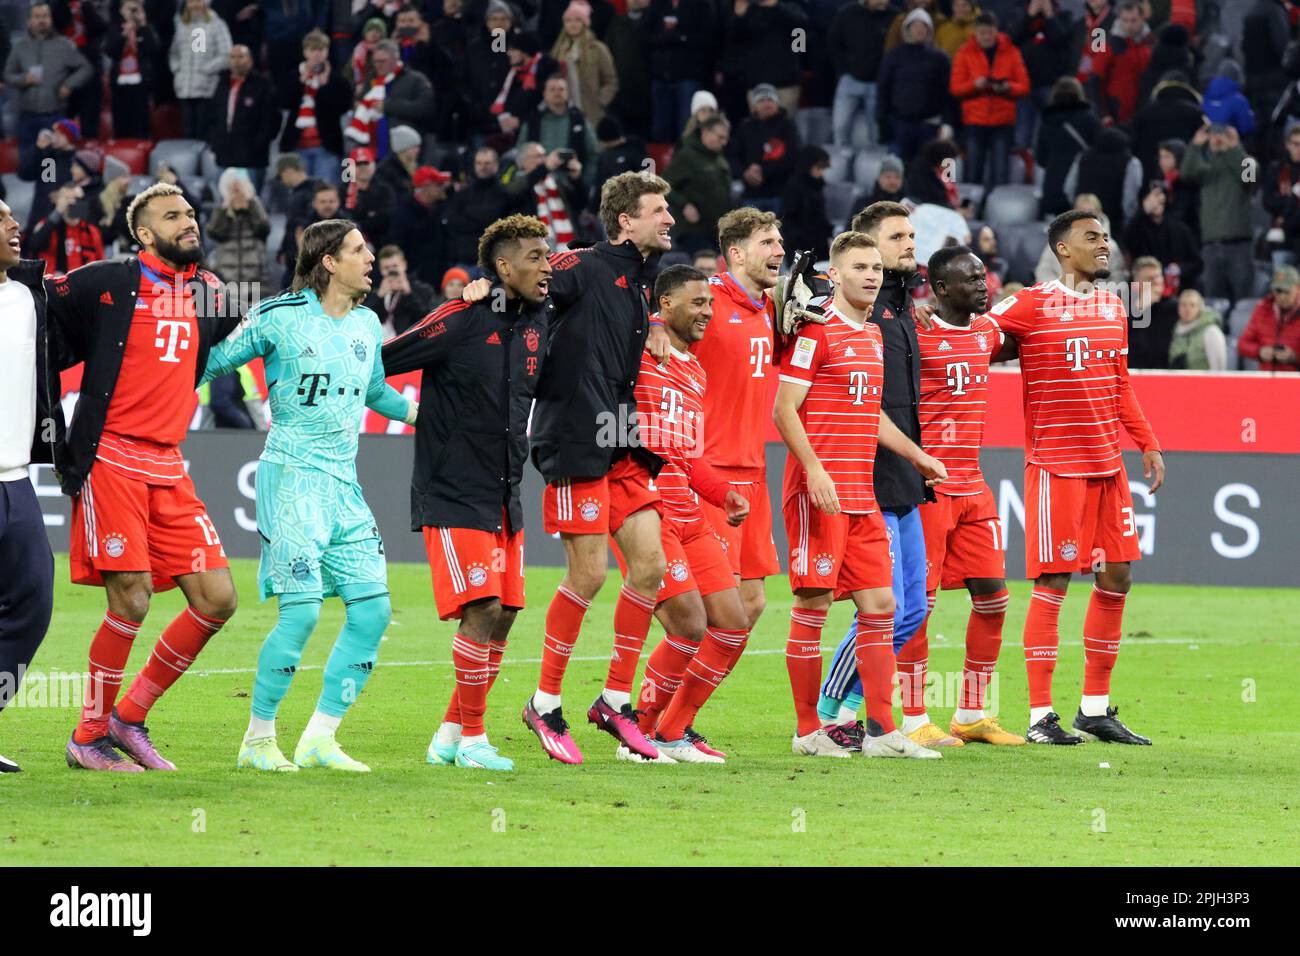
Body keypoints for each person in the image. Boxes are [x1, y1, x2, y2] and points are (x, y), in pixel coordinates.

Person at [463, 171, 675, 766]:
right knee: (589, 576)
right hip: (573, 438)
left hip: (621, 441)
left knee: (650, 567)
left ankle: (613, 700)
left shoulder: (636, 282)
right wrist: (485, 290)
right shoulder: (581, 264)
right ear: (625, 221)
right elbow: (528, 284)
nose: (670, 219)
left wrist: (654, 324)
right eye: (658, 209)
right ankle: (545, 703)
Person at [205, 219, 417, 773]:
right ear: (328, 261)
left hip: (345, 487)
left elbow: (374, 391)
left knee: (372, 612)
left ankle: (320, 738)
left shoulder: (369, 324)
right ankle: (257, 739)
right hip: (292, 478)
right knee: (299, 617)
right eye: (357, 250)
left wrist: (425, 415)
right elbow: (211, 362)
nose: (369, 258)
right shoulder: (278, 317)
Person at [51, 182, 241, 772]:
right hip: (110, 458)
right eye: (172, 216)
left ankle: (128, 718)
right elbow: (35, 311)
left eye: (189, 212)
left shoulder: (211, 292)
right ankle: (87, 737)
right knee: (130, 599)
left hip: (168, 462)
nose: (189, 222)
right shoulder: (105, 281)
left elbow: (219, 342)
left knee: (218, 598)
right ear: (144, 233)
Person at [381, 215, 553, 771]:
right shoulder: (459, 318)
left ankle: (451, 735)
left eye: (548, 255)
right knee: (481, 608)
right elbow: (380, 363)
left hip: (506, 493)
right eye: (534, 257)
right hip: (453, 489)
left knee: (503, 614)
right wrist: (413, 413)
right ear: (503, 266)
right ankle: (476, 739)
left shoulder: (536, 324)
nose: (547, 266)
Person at [988, 209, 1164, 744]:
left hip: (1107, 467)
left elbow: (1120, 383)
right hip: (1055, 466)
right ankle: (1041, 716)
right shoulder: (1031, 302)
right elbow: (977, 334)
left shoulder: (1113, 307)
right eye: (1092, 237)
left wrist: (1148, 442)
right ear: (1063, 249)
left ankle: (1093, 709)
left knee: (1116, 577)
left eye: (1106, 236)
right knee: (1054, 583)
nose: (1104, 244)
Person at [774, 230, 948, 759]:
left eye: (876, 268)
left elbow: (869, 414)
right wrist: (814, 471)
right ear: (835, 274)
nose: (871, 276)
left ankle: (879, 730)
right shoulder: (816, 332)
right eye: (859, 268)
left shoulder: (872, 335)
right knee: (815, 603)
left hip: (861, 492)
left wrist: (916, 456)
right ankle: (809, 732)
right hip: (818, 491)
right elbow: (784, 410)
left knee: (881, 606)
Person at [640, 209, 786, 754]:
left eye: (780, 241)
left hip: (751, 474)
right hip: (702, 474)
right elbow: (658, 316)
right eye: (767, 242)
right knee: (701, 616)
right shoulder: (706, 301)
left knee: (749, 608)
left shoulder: (769, 306)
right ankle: (652, 722)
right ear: (737, 253)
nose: (779, 249)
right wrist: (653, 324)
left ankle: (668, 722)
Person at [818, 202, 939, 745]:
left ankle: (859, 709)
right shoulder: (843, 315)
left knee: (912, 609)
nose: (909, 244)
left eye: (912, 235)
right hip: (864, 475)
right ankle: (833, 707)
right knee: (881, 606)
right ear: (862, 249)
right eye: (897, 237)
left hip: (903, 479)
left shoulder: (902, 309)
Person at [623, 265, 752, 763]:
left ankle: (670, 730)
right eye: (697, 303)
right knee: (688, 625)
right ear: (667, 304)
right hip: (646, 510)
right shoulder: (638, 353)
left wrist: (724, 495)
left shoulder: (696, 370)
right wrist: (647, 322)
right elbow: (606, 311)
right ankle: (637, 733)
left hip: (691, 511)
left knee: (733, 623)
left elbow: (691, 454)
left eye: (710, 304)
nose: (707, 312)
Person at [908, 244, 1024, 745]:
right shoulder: (914, 333)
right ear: (939, 288)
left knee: (994, 598)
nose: (984, 285)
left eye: (984, 276)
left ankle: (972, 713)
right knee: (920, 604)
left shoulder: (985, 332)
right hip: (927, 488)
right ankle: (912, 720)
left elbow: (1022, 333)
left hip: (973, 486)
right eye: (971, 280)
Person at [0, 200, 61, 773]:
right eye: (1, 219)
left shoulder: (31, 295)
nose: (15, 227)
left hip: (15, 481)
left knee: (33, 602)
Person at [950, 11, 1030, 191]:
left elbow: (1024, 86)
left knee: (1001, 173)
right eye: (982, 33)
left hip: (1003, 122)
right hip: (974, 122)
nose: (986, 37)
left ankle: (997, 213)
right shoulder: (964, 53)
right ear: (975, 32)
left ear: (996, 31)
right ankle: (970, 213)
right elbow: (955, 88)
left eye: (990, 32)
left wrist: (1008, 87)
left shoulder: (1011, 52)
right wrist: (975, 85)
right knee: (973, 172)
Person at [4, 2, 92, 165]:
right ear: (29, 21)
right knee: (28, 166)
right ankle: (34, 189)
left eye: (45, 16)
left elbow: (85, 68)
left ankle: (48, 189)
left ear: (51, 19)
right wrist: (23, 79)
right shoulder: (20, 47)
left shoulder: (63, 45)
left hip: (53, 115)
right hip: (27, 116)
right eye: (37, 17)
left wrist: (69, 85)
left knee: (49, 164)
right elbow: (7, 75)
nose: (41, 20)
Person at [1180, 122, 1256, 308]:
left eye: (1222, 135)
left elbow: (1250, 176)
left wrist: (1234, 147)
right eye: (1214, 135)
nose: (1218, 139)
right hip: (1211, 246)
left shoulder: (1246, 162)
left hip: (1239, 245)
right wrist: (1196, 145)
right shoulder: (1206, 171)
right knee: (1212, 302)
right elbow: (1186, 174)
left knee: (1243, 301)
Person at [876, 7, 952, 163]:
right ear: (907, 29)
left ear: (929, 31)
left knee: (928, 169)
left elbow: (947, 93)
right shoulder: (894, 56)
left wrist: (947, 122)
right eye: (915, 26)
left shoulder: (940, 59)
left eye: (923, 26)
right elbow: (883, 89)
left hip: (929, 125)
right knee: (896, 167)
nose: (919, 30)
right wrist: (882, 120)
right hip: (900, 124)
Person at [207, 45, 282, 192]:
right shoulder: (222, 84)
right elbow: (212, 116)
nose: (236, 61)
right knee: (223, 204)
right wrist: (215, 143)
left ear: (250, 60)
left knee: (251, 204)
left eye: (241, 57)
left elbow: (272, 120)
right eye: (233, 57)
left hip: (252, 161)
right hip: (224, 157)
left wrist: (257, 146)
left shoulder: (262, 84)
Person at [280, 29, 351, 184]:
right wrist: (301, 81)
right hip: (297, 147)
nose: (317, 54)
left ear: (327, 52)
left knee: (325, 190)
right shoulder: (293, 76)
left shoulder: (337, 79)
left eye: (321, 49)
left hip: (326, 147)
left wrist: (325, 85)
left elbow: (342, 108)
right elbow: (284, 102)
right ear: (305, 52)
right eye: (313, 50)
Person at [346, 38, 436, 156]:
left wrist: (389, 106)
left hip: (404, 149)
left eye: (382, 61)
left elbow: (426, 107)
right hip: (371, 148)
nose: (378, 65)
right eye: (375, 61)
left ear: (396, 58)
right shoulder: (371, 81)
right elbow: (361, 103)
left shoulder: (415, 79)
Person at [644, 0, 715, 144]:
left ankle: (685, 162)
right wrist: (661, 38)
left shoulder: (702, 5)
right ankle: (662, 165)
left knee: (686, 128)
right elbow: (643, 34)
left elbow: (710, 38)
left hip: (689, 76)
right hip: (660, 76)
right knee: (659, 130)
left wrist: (682, 38)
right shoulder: (658, 4)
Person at [828, 0, 895, 151]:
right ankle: (842, 163)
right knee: (840, 127)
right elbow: (834, 42)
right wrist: (843, 70)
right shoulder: (847, 13)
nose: (884, 2)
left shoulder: (894, 16)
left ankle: (874, 169)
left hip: (879, 84)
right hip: (849, 81)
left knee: (876, 130)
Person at [1009, 0, 1073, 151]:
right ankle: (1023, 172)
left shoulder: (1063, 16)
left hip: (1050, 84)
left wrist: (1050, 16)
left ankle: (1043, 169)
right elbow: (1011, 39)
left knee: (1049, 134)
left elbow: (1061, 41)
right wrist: (1029, 16)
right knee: (1021, 136)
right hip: (1023, 84)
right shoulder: (1018, 14)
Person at [664, 115, 733, 254]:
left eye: (726, 138)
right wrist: (684, 205)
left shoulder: (719, 159)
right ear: (706, 132)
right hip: (693, 230)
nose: (724, 142)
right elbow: (664, 185)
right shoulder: (687, 156)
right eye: (720, 137)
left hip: (717, 230)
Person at [206, 169, 270, 316]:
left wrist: (251, 206)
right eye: (233, 190)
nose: (237, 194)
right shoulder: (221, 210)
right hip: (228, 278)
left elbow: (264, 229)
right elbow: (215, 233)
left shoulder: (255, 207)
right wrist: (225, 211)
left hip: (255, 278)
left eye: (239, 189)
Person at [730, 83, 800, 214]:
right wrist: (745, 173)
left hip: (780, 195)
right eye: (761, 100)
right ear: (754, 106)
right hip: (751, 195)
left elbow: (793, 159)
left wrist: (763, 170)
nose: (766, 103)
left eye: (770, 99)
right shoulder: (745, 127)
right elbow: (733, 157)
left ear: (777, 103)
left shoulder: (787, 126)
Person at [168, 0, 233, 140]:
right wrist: (177, 70)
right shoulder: (182, 25)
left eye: (199, 1)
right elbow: (174, 53)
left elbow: (227, 55)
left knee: (204, 131)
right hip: (184, 89)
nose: (195, 5)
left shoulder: (217, 24)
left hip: (207, 89)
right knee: (187, 130)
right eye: (191, 1)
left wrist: (206, 69)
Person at [1122, 182, 1202, 294]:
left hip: (1175, 292)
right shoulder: (1137, 227)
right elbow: (1128, 242)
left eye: (1160, 195)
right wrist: (1143, 212)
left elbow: (1197, 263)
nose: (1157, 200)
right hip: (1144, 291)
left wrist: (1180, 269)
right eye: (1153, 196)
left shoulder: (1179, 229)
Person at [1037, 75, 1100, 216]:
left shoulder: (1047, 120)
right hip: (1082, 182)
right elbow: (1098, 147)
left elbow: (1040, 158)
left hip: (1054, 184)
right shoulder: (1089, 118)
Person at [550, 0, 619, 127]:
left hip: (591, 110)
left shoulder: (598, 48)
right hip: (563, 110)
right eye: (568, 20)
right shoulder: (557, 50)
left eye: (577, 20)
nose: (573, 24)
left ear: (585, 23)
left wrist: (601, 101)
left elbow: (611, 80)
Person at [1063, 126, 1143, 233]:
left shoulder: (1083, 157)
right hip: (1114, 220)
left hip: (1082, 214)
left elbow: (1069, 187)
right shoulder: (1131, 162)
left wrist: (1078, 205)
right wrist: (1128, 219)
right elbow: (1129, 197)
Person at [443, 147, 511, 269]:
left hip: (493, 261)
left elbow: (494, 220)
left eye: (487, 163)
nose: (482, 167)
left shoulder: (504, 194)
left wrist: (469, 215)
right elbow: (453, 221)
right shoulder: (463, 194)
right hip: (465, 260)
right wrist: (482, 220)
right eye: (479, 163)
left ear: (496, 165)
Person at [518, 74, 599, 173]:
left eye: (561, 89)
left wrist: (586, 179)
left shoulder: (579, 119)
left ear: (567, 93)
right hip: (539, 180)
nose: (557, 93)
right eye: (552, 89)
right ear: (544, 93)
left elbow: (594, 151)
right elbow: (520, 151)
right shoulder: (533, 120)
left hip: (573, 180)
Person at [105, 0, 162, 140]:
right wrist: (124, 34)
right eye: (128, 8)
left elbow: (154, 48)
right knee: (121, 126)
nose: (131, 12)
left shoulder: (145, 27)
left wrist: (142, 24)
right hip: (119, 86)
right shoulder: (115, 27)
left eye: (134, 8)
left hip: (140, 86)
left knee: (141, 126)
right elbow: (110, 50)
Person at [389, 168, 451, 285]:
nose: (442, 187)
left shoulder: (439, 208)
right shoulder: (404, 212)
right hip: (414, 279)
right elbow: (396, 246)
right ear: (426, 186)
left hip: (437, 275)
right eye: (438, 184)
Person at [29, 182, 105, 276]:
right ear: (59, 201)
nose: (73, 202)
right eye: (68, 199)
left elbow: (101, 263)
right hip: (53, 283)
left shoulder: (91, 231)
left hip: (85, 284)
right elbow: (33, 245)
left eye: (77, 199)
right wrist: (58, 212)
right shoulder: (47, 225)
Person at [1237, 265, 1300, 372]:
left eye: (1287, 291)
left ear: (1298, 288)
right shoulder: (1262, 309)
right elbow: (1242, 344)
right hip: (1267, 379)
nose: (1282, 296)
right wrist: (1260, 352)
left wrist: (1295, 357)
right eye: (1278, 291)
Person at [364, 245, 435, 337]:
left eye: (395, 266)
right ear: (381, 270)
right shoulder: (373, 292)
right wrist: (379, 297)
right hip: (382, 345)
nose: (391, 271)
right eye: (386, 268)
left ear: (404, 265)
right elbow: (366, 322)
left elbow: (428, 321)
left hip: (409, 345)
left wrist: (408, 294)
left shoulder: (422, 290)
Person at [780, 146, 832, 263]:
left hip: (819, 247)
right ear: (808, 166)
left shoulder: (818, 185)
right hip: (800, 248)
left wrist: (829, 231)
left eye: (823, 168)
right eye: (818, 168)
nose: (821, 172)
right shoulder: (793, 187)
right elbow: (788, 219)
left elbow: (821, 216)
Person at [1126, 255, 1179, 369]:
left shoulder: (1174, 306)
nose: (1156, 282)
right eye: (1150, 279)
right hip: (1135, 371)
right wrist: (1139, 309)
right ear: (1136, 284)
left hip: (1167, 373)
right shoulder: (1124, 305)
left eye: (1158, 277)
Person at [1263, 126, 1300, 265]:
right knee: (1281, 285)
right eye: (1296, 144)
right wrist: (1293, 200)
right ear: (1287, 144)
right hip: (1282, 241)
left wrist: (1285, 203)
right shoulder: (1276, 168)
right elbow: (1268, 201)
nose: (1299, 149)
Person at [1168, 288, 1227, 371]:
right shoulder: (1175, 331)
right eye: (1184, 305)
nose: (1187, 309)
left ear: (1200, 308)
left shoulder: (1211, 332)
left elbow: (1218, 370)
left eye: (1192, 305)